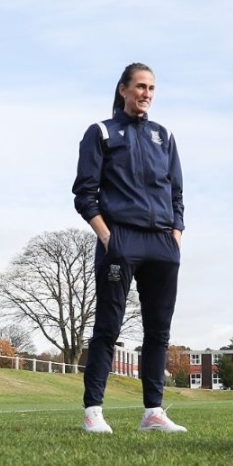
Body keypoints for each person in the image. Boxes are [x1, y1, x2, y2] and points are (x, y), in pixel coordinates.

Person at [73, 64, 186, 434]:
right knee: (109, 325)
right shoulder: (101, 133)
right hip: (120, 240)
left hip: (162, 244)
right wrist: (108, 237)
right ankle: (93, 411)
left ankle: (153, 412)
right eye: (140, 86)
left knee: (159, 331)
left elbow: (177, 193)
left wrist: (177, 233)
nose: (146, 93)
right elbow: (84, 195)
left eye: (152, 88)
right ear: (123, 89)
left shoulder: (164, 135)